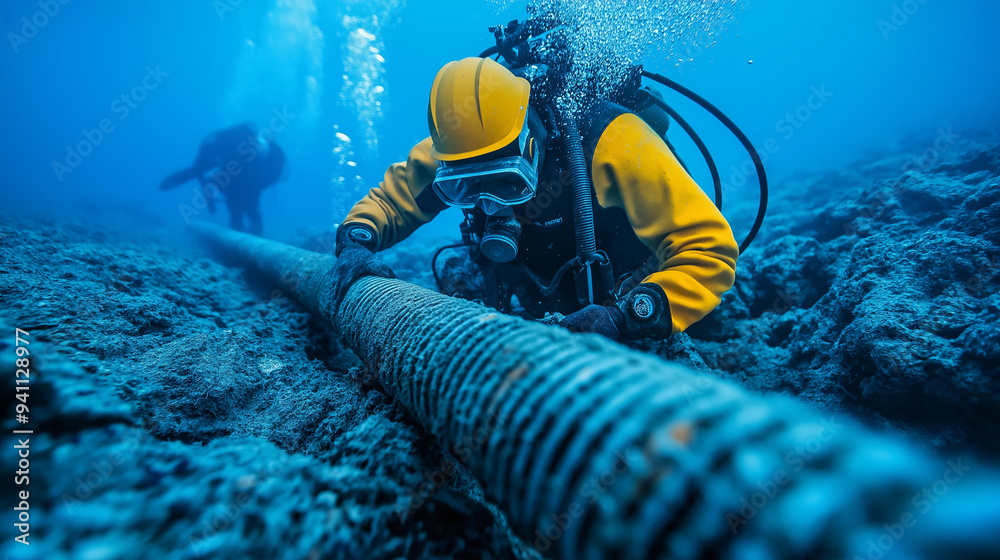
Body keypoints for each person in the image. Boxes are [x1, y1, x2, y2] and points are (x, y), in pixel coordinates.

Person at [334, 57, 738, 341]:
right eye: (468, 189)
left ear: (532, 145)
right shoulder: (454, 150)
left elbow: (709, 250)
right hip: (534, 290)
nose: (491, 206)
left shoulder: (614, 142)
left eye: (506, 183)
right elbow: (390, 202)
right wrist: (354, 242)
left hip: (630, 288)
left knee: (700, 328)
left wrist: (625, 317)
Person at [160, 123, 287, 235]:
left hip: (270, 167)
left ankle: (254, 230)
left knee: (242, 193)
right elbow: (199, 169)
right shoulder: (215, 150)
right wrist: (209, 188)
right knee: (232, 189)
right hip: (252, 168)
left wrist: (215, 184)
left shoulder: (232, 145)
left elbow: (242, 173)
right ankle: (239, 228)